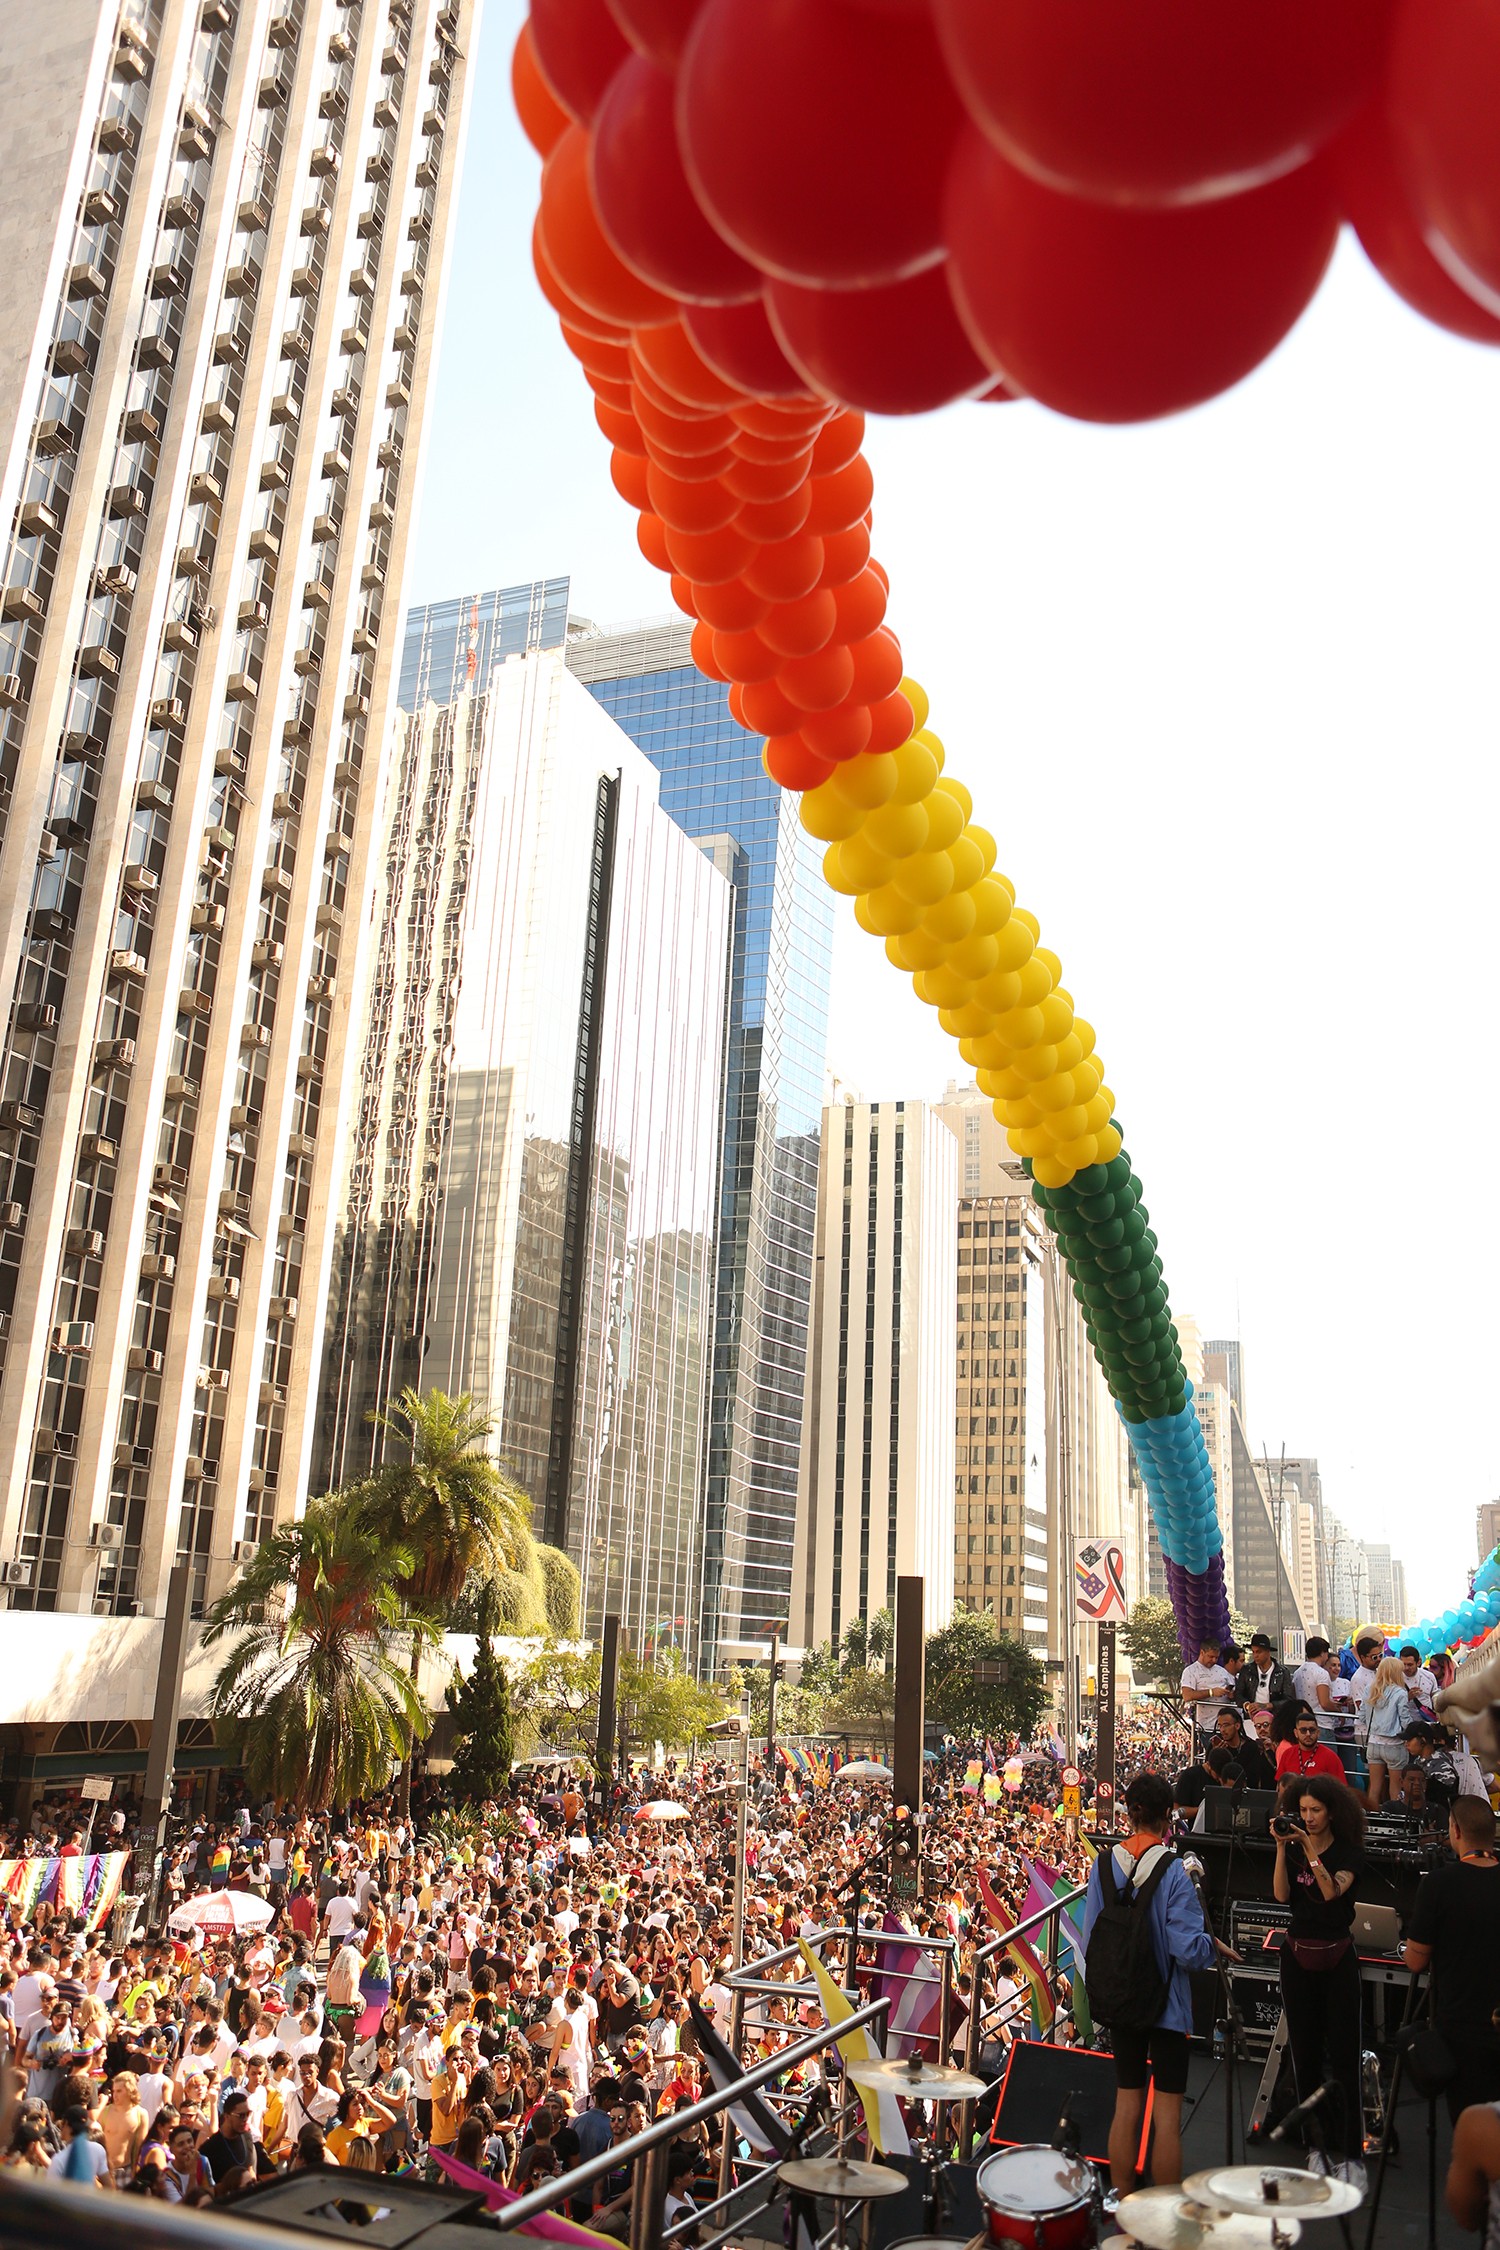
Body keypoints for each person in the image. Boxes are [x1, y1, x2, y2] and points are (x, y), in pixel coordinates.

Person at [1082, 1771, 1232, 2198]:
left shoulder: (1103, 1863)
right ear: (1169, 1816)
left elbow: (1093, 1932)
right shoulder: (1173, 1871)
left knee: (1126, 2104)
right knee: (1166, 2114)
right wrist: (1211, 1945)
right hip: (1166, 2005)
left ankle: (1124, 2204)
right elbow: (1187, 1949)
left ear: (1130, 1813)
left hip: (1121, 2001)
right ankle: (1163, 2216)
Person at [1270, 1776, 1366, 2186]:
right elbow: (1279, 1896)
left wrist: (1308, 1848)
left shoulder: (1348, 1852)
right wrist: (1280, 1849)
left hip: (1338, 1955)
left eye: (1315, 1811)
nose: (1307, 1818)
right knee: (1304, 2054)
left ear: (1332, 1813)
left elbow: (1329, 1892)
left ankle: (1350, 2151)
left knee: (1345, 2055)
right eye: (1303, 1810)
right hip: (1298, 1954)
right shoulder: (1292, 1848)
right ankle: (1316, 2146)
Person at [1403, 1797, 1500, 2120]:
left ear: (1455, 1831)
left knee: (1471, 2123)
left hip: (1461, 2025)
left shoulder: (1438, 1884)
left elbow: (1416, 1962)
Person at [1365, 1657, 1418, 1806]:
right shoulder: (1400, 1693)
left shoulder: (1369, 1689)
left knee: (1374, 1788)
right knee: (1395, 1788)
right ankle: (1396, 1820)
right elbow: (1405, 1720)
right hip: (1394, 1744)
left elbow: (1362, 1715)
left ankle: (1371, 1820)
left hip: (1373, 1743)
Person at [1274, 1703, 1345, 1785]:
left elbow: (1340, 1789)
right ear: (1296, 1733)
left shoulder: (1330, 1757)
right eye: (1303, 1730)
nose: (1308, 1734)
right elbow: (1280, 1786)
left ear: (1318, 1732)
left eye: (1312, 1730)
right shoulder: (1287, 1754)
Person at [1180, 1639, 1232, 1739]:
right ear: (1202, 1652)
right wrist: (1211, 1692)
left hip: (1227, 1724)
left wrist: (1230, 1694)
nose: (1213, 1660)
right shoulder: (1190, 1671)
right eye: (1210, 1656)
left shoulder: (1222, 1671)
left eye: (1216, 1657)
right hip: (1206, 1726)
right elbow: (1187, 1696)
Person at [1234, 1633, 1295, 1713]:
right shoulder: (1246, 1670)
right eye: (1253, 1652)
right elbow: (1238, 1694)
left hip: (1275, 1717)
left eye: (1259, 1652)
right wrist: (1247, 1705)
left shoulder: (1282, 1672)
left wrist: (1268, 1706)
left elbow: (1289, 1699)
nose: (1255, 1655)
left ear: (1268, 1652)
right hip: (1251, 1717)